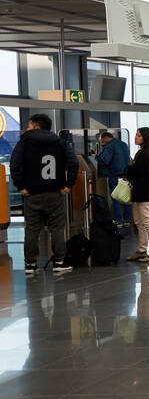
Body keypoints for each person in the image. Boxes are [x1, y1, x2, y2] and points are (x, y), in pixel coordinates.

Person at [11, 113, 77, 277]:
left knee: (32, 229)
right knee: (57, 228)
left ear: (35, 125)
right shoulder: (60, 142)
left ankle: (30, 264)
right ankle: (59, 262)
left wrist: (21, 186)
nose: (27, 127)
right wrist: (68, 185)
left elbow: (14, 165)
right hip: (55, 192)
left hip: (32, 194)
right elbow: (73, 162)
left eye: (28, 124)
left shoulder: (24, 143)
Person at [124, 126, 149, 263]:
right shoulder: (142, 152)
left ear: (146, 137)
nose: (135, 137)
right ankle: (142, 249)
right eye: (136, 134)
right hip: (139, 191)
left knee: (147, 220)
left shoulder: (147, 153)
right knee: (139, 221)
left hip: (144, 191)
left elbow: (135, 170)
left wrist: (129, 168)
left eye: (139, 135)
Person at [95, 129, 130, 226]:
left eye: (102, 140)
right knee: (125, 197)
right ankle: (127, 220)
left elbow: (105, 160)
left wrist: (97, 156)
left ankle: (118, 220)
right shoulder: (123, 144)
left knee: (115, 198)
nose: (102, 142)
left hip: (114, 175)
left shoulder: (109, 146)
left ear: (106, 138)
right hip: (126, 175)